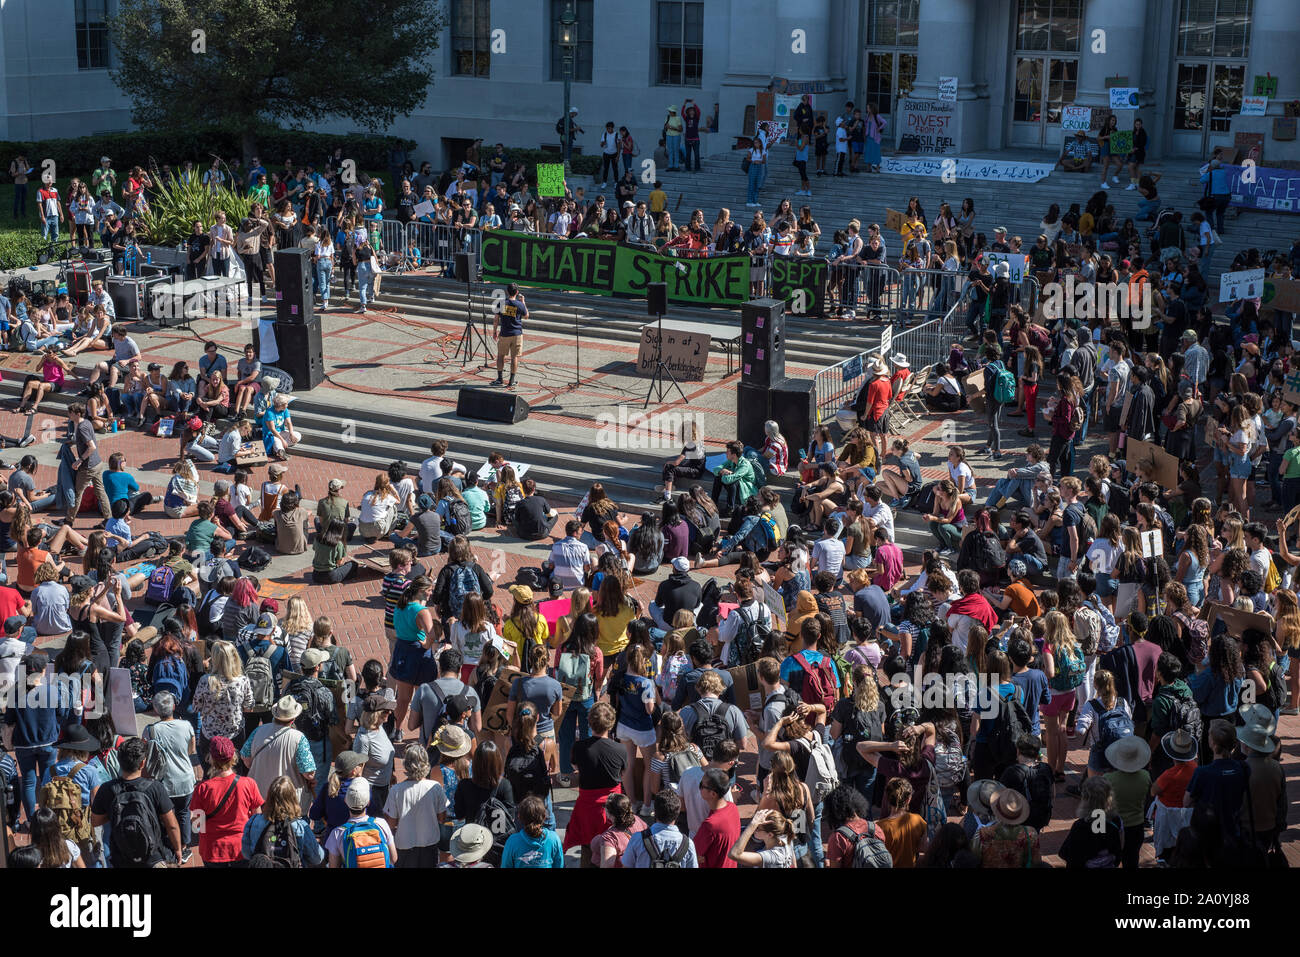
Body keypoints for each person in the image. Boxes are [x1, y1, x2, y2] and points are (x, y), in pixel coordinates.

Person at [88, 736, 184, 868]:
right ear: (142, 763)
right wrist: (178, 849)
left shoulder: (107, 789)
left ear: (119, 761)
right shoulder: (155, 787)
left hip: (121, 856)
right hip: (153, 856)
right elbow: (171, 825)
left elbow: (95, 821)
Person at [242, 774, 326, 866]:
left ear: (269, 797)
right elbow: (317, 858)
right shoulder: (299, 826)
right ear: (292, 799)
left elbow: (246, 853)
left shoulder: (254, 821)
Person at [326, 779, 397, 867]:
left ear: (345, 801)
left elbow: (334, 866)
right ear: (368, 802)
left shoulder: (337, 833)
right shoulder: (381, 824)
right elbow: (393, 858)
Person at [500, 795, 564, 868]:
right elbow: (559, 865)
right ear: (544, 817)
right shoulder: (554, 839)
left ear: (519, 817)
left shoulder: (512, 841)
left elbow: (506, 865)